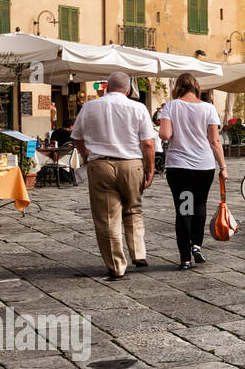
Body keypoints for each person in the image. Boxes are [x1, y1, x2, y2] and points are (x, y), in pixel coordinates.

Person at [69, 71, 156, 279]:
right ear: (128, 89)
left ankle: (117, 266)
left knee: (107, 218)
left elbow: (77, 137)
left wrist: (87, 155)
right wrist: (150, 169)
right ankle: (138, 252)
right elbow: (148, 143)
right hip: (132, 164)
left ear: (106, 87)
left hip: (101, 165)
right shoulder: (138, 107)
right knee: (133, 209)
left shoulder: (89, 107)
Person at [158, 73, 226, 270]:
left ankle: (184, 258)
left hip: (179, 167)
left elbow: (165, 134)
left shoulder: (171, 106)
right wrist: (223, 167)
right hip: (203, 167)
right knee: (200, 205)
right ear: (196, 88)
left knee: (184, 209)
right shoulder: (208, 108)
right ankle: (196, 244)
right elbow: (214, 140)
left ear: (178, 87)